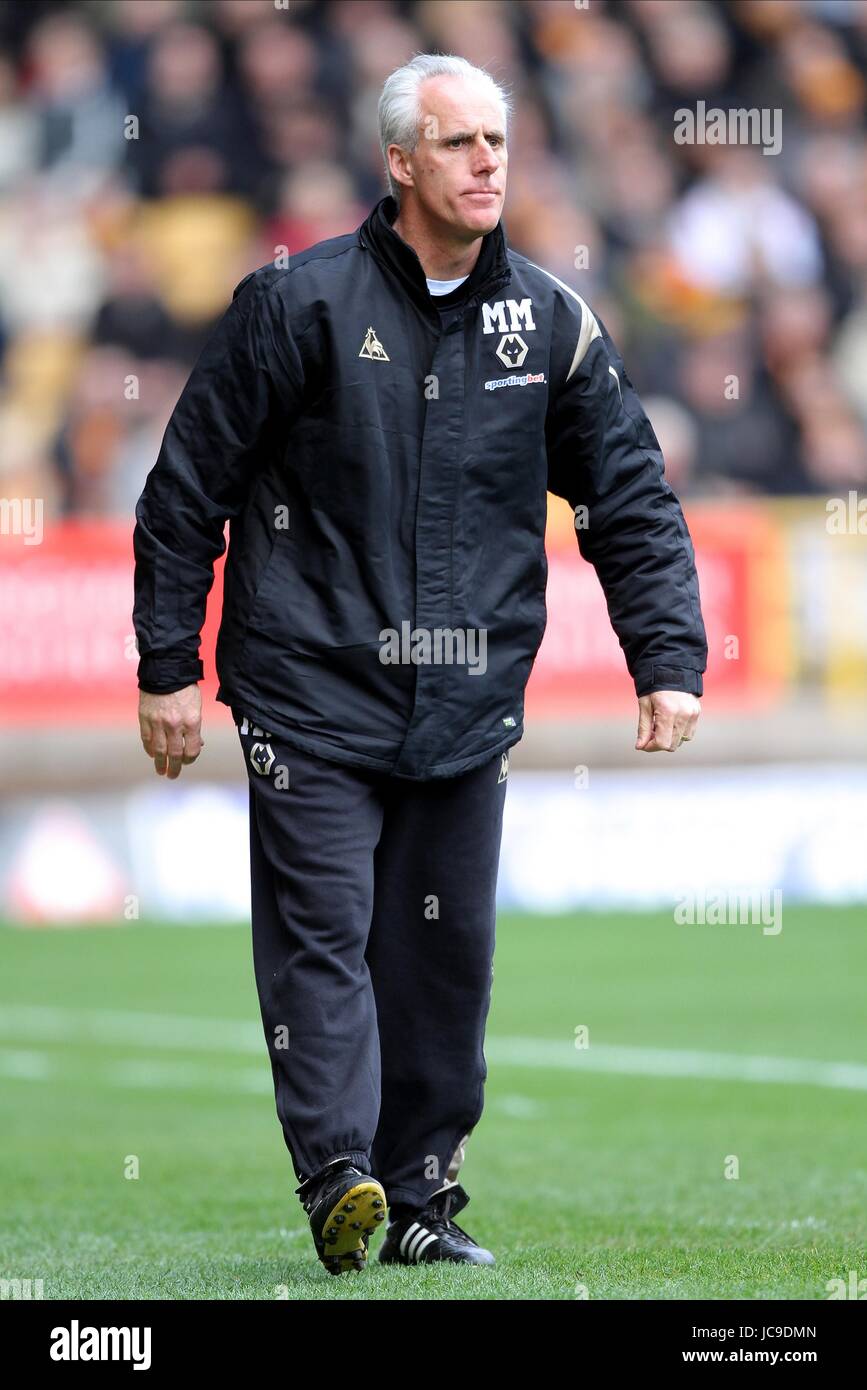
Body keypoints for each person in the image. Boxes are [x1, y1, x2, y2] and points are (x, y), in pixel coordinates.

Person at [133, 53, 705, 1276]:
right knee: (324, 935)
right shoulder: (297, 304)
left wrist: (666, 655)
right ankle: (341, 1174)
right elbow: (187, 492)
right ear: (400, 162)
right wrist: (167, 665)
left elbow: (632, 497)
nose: (488, 161)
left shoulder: (546, 319)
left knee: (444, 954)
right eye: (458, 143)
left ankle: (425, 1196)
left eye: (498, 140)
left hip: (467, 700)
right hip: (309, 684)